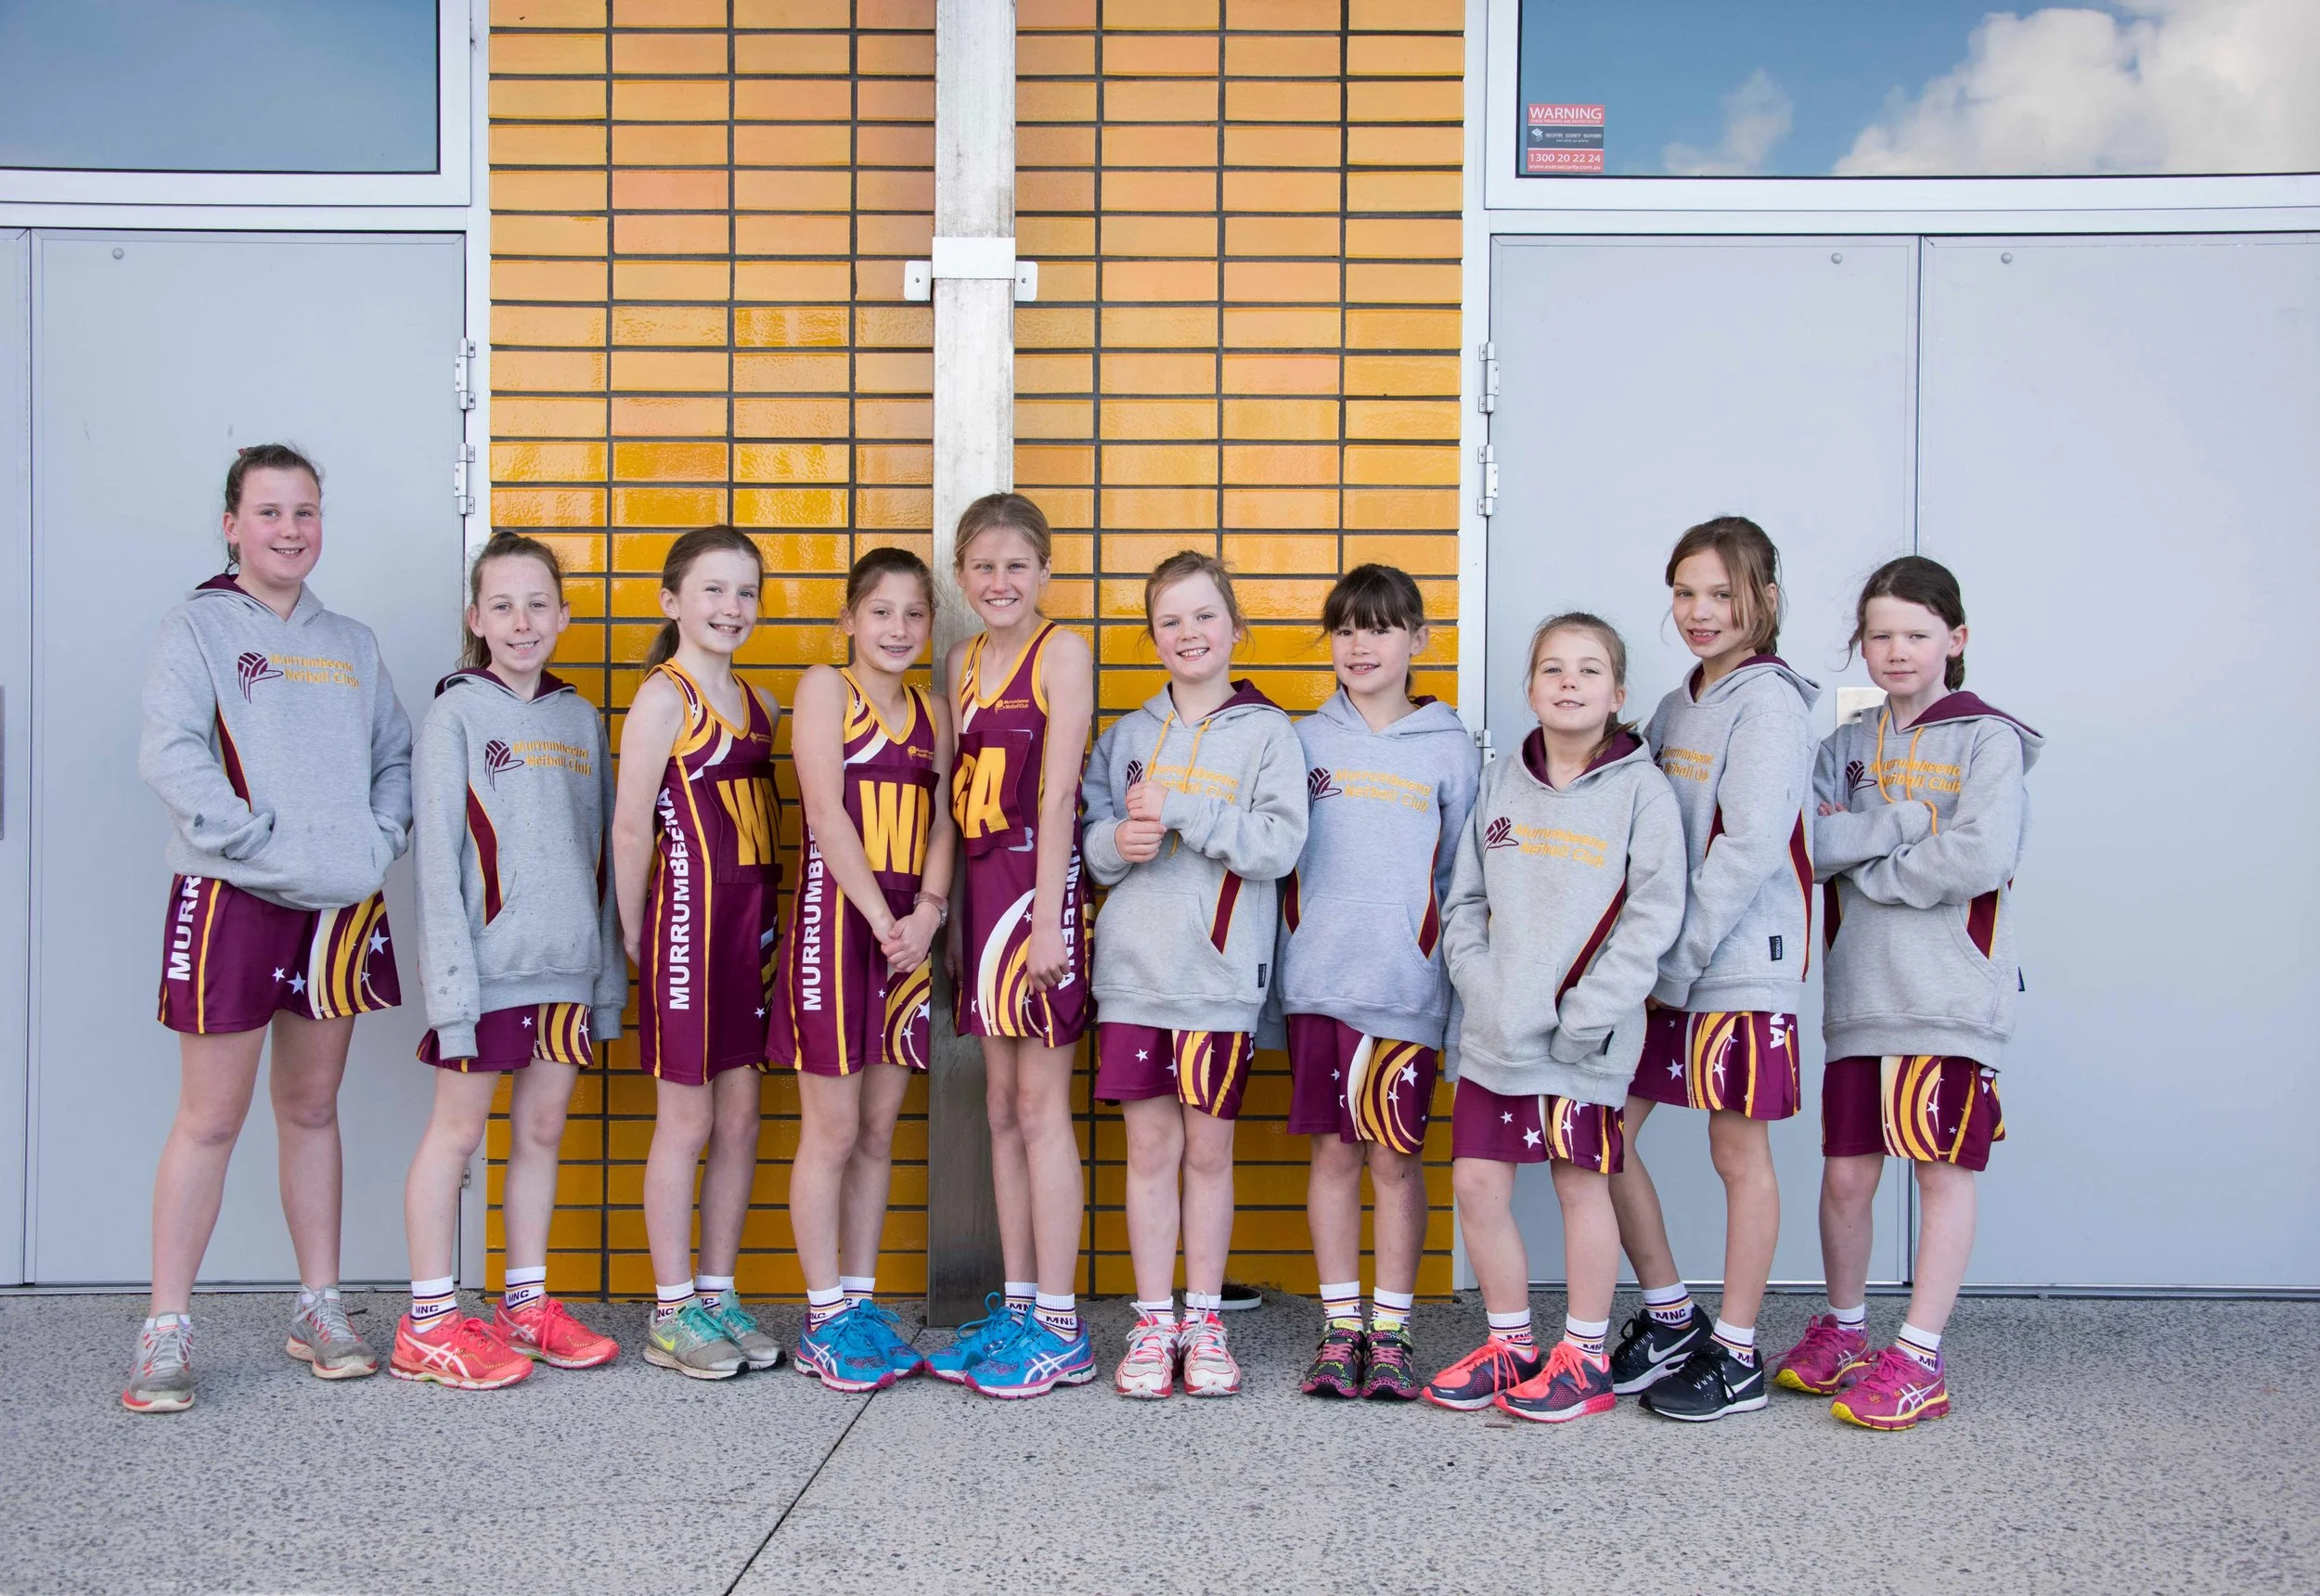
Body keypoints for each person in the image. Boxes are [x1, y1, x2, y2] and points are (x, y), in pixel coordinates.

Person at [126, 444, 412, 1412]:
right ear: (231, 523)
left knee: (312, 1109)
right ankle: (164, 1331)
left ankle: (319, 1307)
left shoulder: (354, 642)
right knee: (209, 1119)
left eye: (306, 511)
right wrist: (255, 841)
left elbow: (395, 762)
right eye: (270, 512)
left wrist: (372, 843)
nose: (290, 530)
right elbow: (170, 753)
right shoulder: (198, 625)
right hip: (233, 898)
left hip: (338, 902)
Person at [1772, 556, 2040, 1431]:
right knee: (1846, 1174)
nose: (1896, 651)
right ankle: (1847, 1331)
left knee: (1938, 1174)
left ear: (1955, 641)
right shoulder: (1844, 747)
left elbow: (1980, 857)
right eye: (1879, 635)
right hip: (1860, 999)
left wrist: (1870, 867)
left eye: (1916, 635)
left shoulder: (1988, 739)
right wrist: (1905, 827)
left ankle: (1919, 1357)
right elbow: (1805, 840)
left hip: (1951, 999)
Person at [1426, 613, 1684, 1423]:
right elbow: (1464, 897)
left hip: (1586, 1038)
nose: (1569, 682)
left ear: (1618, 692)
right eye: (1552, 669)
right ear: (1530, 688)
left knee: (1581, 1185)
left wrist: (1590, 1014)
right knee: (1476, 1182)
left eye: (1589, 669)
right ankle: (1509, 1345)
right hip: (1499, 1028)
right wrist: (1479, 982)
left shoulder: (1642, 789)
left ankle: (1583, 1357)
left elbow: (1653, 916)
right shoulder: (1501, 779)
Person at [392, 532, 625, 1390]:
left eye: (537, 605)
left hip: (566, 973)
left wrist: (606, 982)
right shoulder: (455, 714)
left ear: (562, 615)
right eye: (503, 606)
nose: (522, 622)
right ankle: (428, 1321)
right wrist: (451, 992)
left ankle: (524, 1305)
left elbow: (596, 860)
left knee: (541, 1133)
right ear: (475, 618)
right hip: (485, 975)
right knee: (455, 1136)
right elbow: (438, 869)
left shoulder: (578, 717)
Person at [1081, 551, 1308, 1399]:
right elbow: (1091, 843)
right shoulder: (1128, 736)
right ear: (1152, 638)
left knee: (1208, 1154)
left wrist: (1185, 812)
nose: (1189, 633)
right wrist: (1116, 845)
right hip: (1136, 978)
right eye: (1171, 620)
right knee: (1150, 1151)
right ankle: (1152, 1323)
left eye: (1204, 616)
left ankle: (1206, 1321)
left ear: (1235, 629)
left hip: (1218, 983)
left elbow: (1280, 845)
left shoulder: (1269, 734)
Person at [1607, 517, 1819, 1422]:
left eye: (1720, 593)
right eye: (1684, 592)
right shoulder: (1678, 702)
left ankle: (1735, 1353)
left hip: (1735, 960)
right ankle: (1670, 1316)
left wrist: (1677, 956)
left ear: (1763, 600)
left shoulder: (1769, 702)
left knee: (1737, 1151)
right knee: (1598, 1129)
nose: (1698, 611)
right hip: (1670, 961)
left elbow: (1749, 847)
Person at [1272, 565, 1478, 1400]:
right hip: (1320, 982)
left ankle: (1390, 1332)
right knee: (1333, 1154)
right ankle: (1340, 1326)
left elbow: (1466, 879)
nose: (1362, 644)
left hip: (1406, 988)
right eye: (1348, 628)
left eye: (1382, 627)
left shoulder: (1450, 749)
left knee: (1395, 1160)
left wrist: (1460, 1000)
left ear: (1418, 641)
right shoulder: (1301, 740)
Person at [769, 550, 958, 1394]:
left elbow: (948, 820)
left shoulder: (934, 710)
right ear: (848, 620)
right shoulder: (823, 689)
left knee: (879, 1133)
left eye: (914, 614)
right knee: (834, 1132)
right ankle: (822, 1319)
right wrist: (884, 920)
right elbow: (823, 811)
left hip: (908, 934)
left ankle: (859, 1301)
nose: (897, 629)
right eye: (880, 612)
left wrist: (929, 911)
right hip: (836, 926)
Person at [924, 495, 1098, 1392]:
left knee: (1041, 1107)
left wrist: (1044, 922)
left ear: (1044, 572)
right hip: (981, 900)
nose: (1000, 581)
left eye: (1017, 566)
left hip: (1038, 889)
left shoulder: (1061, 652)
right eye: (983, 567)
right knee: (998, 1105)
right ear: (962, 577)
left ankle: (1062, 1325)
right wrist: (947, 915)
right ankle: (1021, 1305)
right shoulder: (958, 661)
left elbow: (1061, 799)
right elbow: (954, 805)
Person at [611, 526, 783, 1380]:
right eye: (713, 590)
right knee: (687, 1121)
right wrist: (637, 933)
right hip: (685, 929)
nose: (731, 607)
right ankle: (671, 1308)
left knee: (742, 1118)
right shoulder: (664, 697)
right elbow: (629, 822)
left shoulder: (760, 704)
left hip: (749, 930)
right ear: (672, 600)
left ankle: (716, 1292)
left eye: (745, 591)